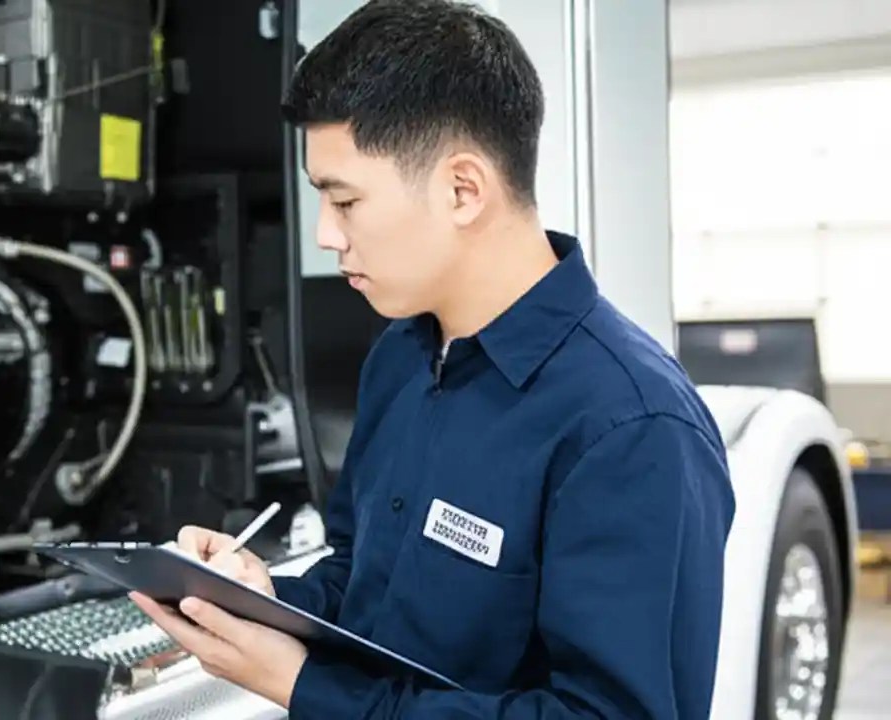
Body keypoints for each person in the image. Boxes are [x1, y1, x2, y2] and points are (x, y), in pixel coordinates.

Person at [129, 0, 736, 717]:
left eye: (345, 201)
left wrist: (302, 684)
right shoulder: (403, 358)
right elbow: (365, 581)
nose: (326, 234)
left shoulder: (630, 427)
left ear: (462, 189)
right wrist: (262, 598)